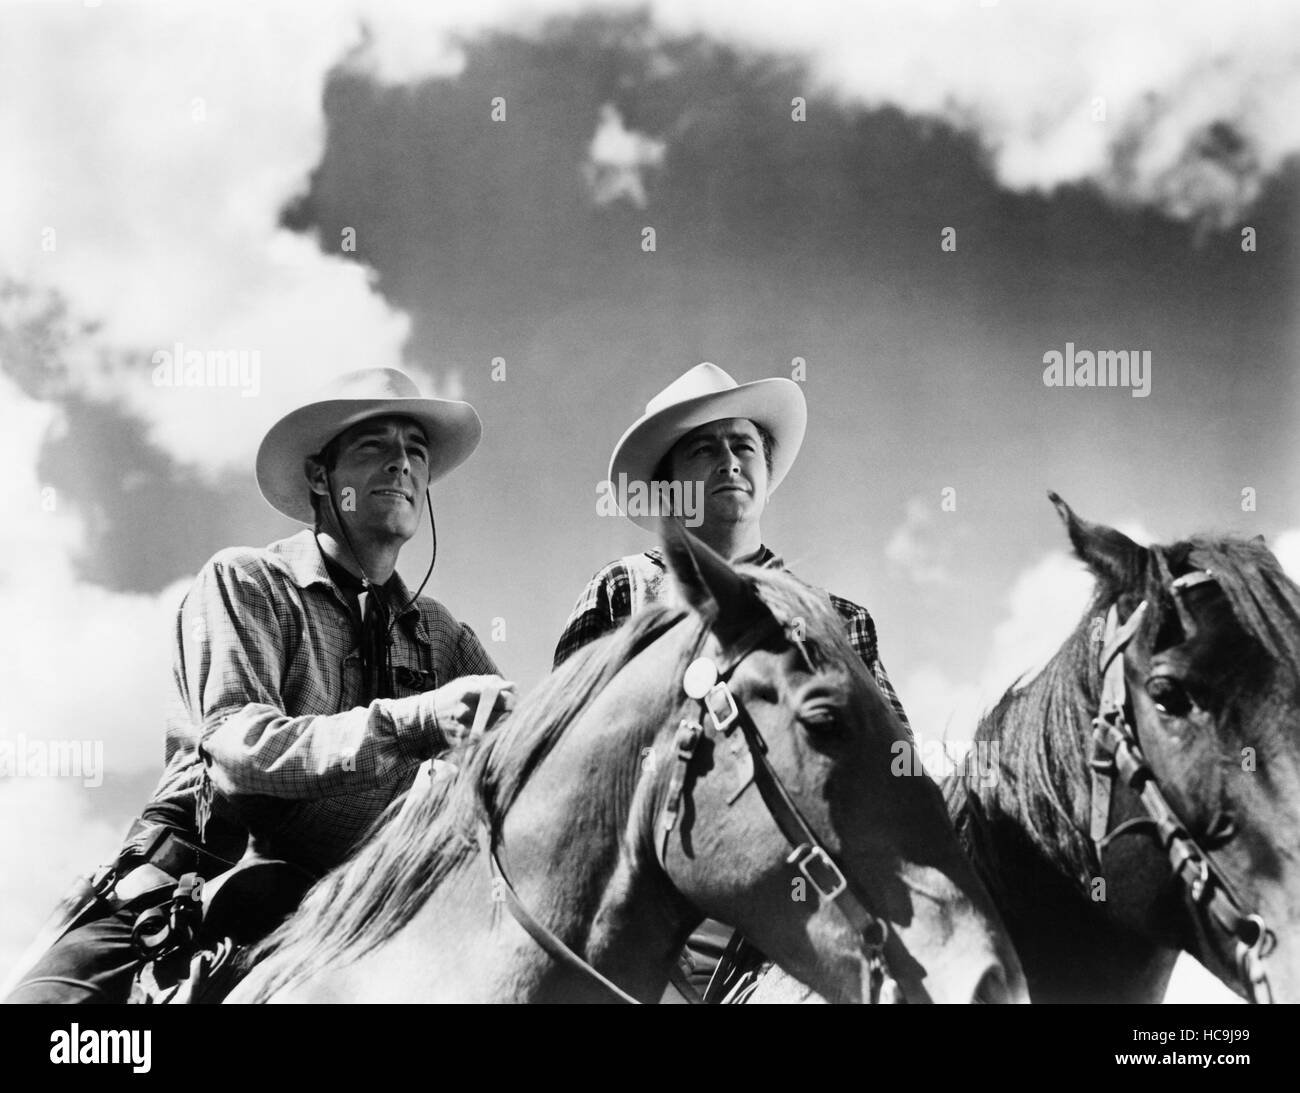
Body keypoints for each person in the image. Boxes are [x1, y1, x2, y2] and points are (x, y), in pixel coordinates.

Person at [5, 367, 514, 1003]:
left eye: (415, 449)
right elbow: (239, 754)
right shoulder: (246, 581)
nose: (402, 465)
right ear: (319, 477)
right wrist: (413, 722)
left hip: (362, 901)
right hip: (195, 874)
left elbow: (522, 741)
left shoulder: (440, 633)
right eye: (373, 447)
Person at [554, 361, 911, 1000]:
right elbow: (569, 783)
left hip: (804, 942)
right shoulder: (620, 593)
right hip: (637, 941)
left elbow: (895, 786)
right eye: (703, 447)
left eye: (743, 445)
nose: (729, 460)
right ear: (667, 487)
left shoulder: (841, 623)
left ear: (767, 475)